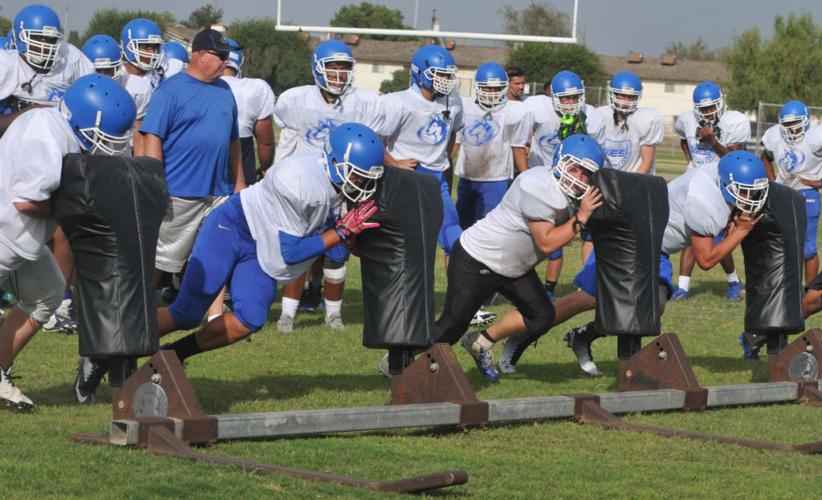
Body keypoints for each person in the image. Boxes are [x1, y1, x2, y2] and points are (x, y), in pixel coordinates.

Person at [506, 151, 769, 377]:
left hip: (657, 248)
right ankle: (516, 337)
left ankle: (583, 336)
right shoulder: (705, 201)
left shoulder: (718, 174)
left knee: (654, 307)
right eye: (745, 192)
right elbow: (707, 259)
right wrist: (740, 232)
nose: (750, 198)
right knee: (587, 299)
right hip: (630, 241)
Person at [153, 124, 383, 365]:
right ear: (334, 161)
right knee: (187, 313)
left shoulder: (333, 183)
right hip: (234, 226)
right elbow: (292, 253)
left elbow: (328, 240)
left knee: (250, 318)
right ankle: (120, 345)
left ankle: (172, 356)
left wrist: (347, 236)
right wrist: (341, 231)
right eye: (356, 174)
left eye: (367, 177)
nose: (361, 182)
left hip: (263, 242)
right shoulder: (300, 181)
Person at [0, 74, 135, 409]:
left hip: (21, 239)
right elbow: (27, 201)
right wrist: (76, 210)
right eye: (108, 135)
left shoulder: (57, 124)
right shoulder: (46, 136)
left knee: (46, 295)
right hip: (6, 232)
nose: (112, 144)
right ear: (87, 121)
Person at [435, 134, 605, 382]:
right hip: (479, 257)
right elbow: (546, 242)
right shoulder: (537, 184)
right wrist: (581, 218)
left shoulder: (575, 195)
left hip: (513, 267)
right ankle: (400, 361)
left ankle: (481, 343)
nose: (578, 178)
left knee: (542, 315)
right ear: (559, 161)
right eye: (574, 168)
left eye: (585, 173)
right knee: (452, 325)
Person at [272, 39, 385, 332]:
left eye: (344, 68)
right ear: (317, 68)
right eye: (332, 67)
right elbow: (286, 145)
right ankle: (288, 314)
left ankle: (333, 314)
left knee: (337, 252)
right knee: (300, 252)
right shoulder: (296, 100)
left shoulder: (363, 102)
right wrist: (276, 177)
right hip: (303, 187)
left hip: (342, 189)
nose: (338, 74)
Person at [455, 61, 533, 326]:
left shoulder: (515, 111)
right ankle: (466, 290)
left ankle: (485, 292)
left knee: (493, 242)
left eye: (496, 89)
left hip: (496, 181)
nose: (490, 94)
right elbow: (452, 144)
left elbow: (518, 147)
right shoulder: (463, 107)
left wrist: (524, 178)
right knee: (463, 238)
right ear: (477, 87)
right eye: (485, 89)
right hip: (467, 179)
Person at [525, 70, 606, 296]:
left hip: (577, 183)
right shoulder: (536, 108)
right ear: (553, 97)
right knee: (538, 236)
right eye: (565, 98)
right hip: (542, 180)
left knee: (582, 233)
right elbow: (520, 139)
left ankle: (567, 286)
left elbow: (597, 157)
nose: (570, 103)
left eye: (574, 97)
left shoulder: (593, 117)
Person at [381, 44, 464, 264]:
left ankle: (457, 297)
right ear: (420, 73)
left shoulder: (453, 100)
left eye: (448, 75)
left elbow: (453, 132)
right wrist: (394, 163)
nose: (445, 80)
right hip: (407, 176)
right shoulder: (397, 102)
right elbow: (376, 140)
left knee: (452, 237)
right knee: (407, 240)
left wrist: (446, 158)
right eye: (439, 74)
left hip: (436, 176)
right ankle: (404, 294)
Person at [671, 81, 750, 301]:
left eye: (711, 107)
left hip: (719, 185)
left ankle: (734, 281)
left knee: (713, 236)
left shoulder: (734, 121)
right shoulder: (687, 119)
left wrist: (712, 141)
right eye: (703, 109)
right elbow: (683, 138)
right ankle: (683, 288)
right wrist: (690, 160)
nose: (708, 112)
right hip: (694, 182)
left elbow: (733, 159)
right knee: (690, 232)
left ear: (720, 104)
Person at [0, 4, 93, 134]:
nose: (45, 44)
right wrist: (30, 113)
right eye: (38, 38)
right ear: (20, 38)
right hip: (15, 138)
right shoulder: (5, 64)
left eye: (50, 39)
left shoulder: (71, 57)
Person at [761, 100, 822, 284]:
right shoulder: (774, 136)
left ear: (805, 121)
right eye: (787, 124)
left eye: (795, 123)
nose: (791, 128)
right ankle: (784, 286)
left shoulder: (816, 136)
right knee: (780, 242)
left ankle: (809, 292)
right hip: (783, 192)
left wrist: (817, 182)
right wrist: (773, 182)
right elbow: (765, 157)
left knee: (808, 248)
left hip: (807, 192)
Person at [221, 41, 275, 184]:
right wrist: (265, 167)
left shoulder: (199, 85)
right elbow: (266, 143)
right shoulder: (256, 88)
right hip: (242, 159)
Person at [81, 34, 152, 136]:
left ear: (119, 66)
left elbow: (138, 129)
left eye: (108, 70)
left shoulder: (138, 88)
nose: (103, 76)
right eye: (98, 70)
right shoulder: (76, 88)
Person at [597, 71, 664, 174]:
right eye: (621, 96)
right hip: (607, 179)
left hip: (635, 178)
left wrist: (632, 185)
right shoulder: (600, 116)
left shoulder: (645, 119)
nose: (626, 101)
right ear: (612, 94)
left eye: (630, 97)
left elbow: (647, 162)